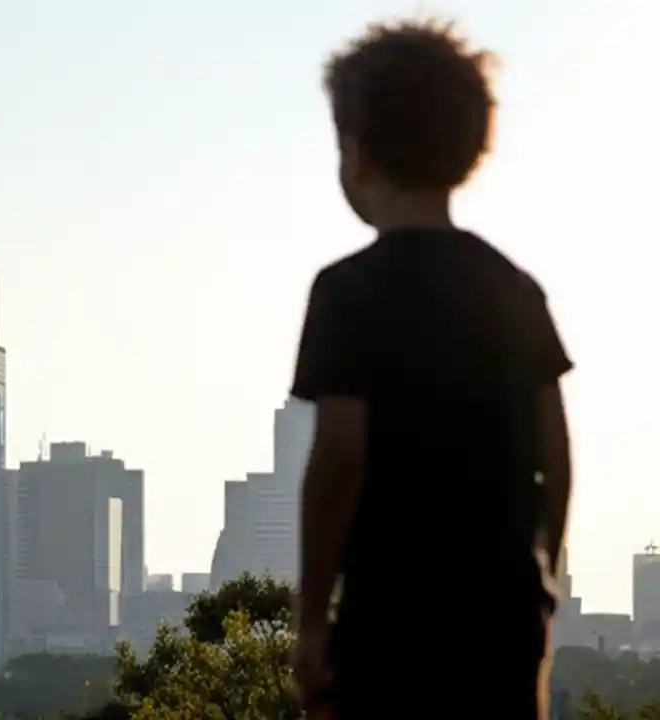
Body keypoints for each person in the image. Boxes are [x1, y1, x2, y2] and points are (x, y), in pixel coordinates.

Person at [288, 19, 573, 720]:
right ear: (473, 148)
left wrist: (313, 616)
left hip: (389, 619)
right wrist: (546, 580)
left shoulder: (348, 291)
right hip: (504, 615)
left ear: (355, 155)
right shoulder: (514, 288)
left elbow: (341, 457)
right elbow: (557, 455)